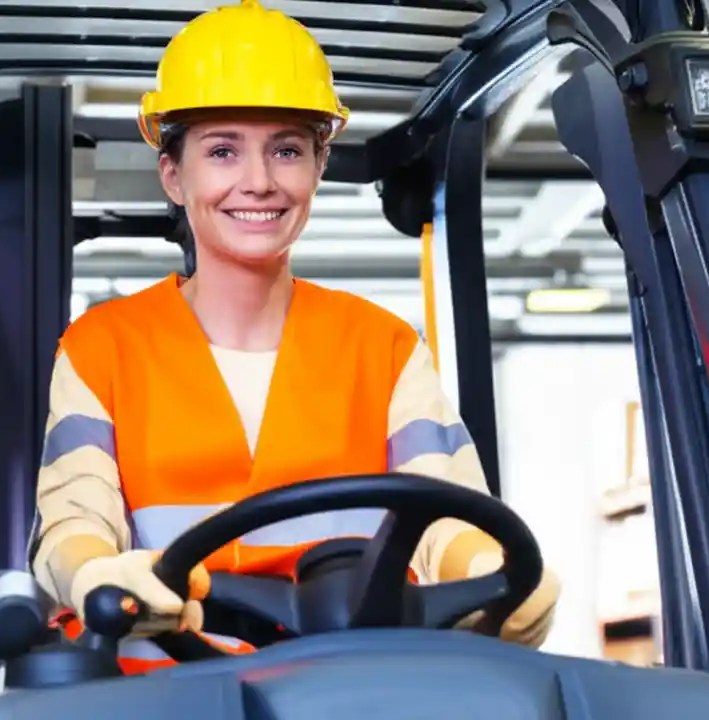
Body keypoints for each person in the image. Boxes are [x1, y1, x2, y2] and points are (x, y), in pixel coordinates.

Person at [29, 0, 560, 674]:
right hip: (163, 698)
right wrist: (95, 574)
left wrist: (495, 572)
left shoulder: (383, 347)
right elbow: (74, 519)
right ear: (174, 174)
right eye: (223, 150)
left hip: (359, 693)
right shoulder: (103, 347)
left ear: (317, 165)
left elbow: (445, 515)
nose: (258, 181)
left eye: (286, 149)